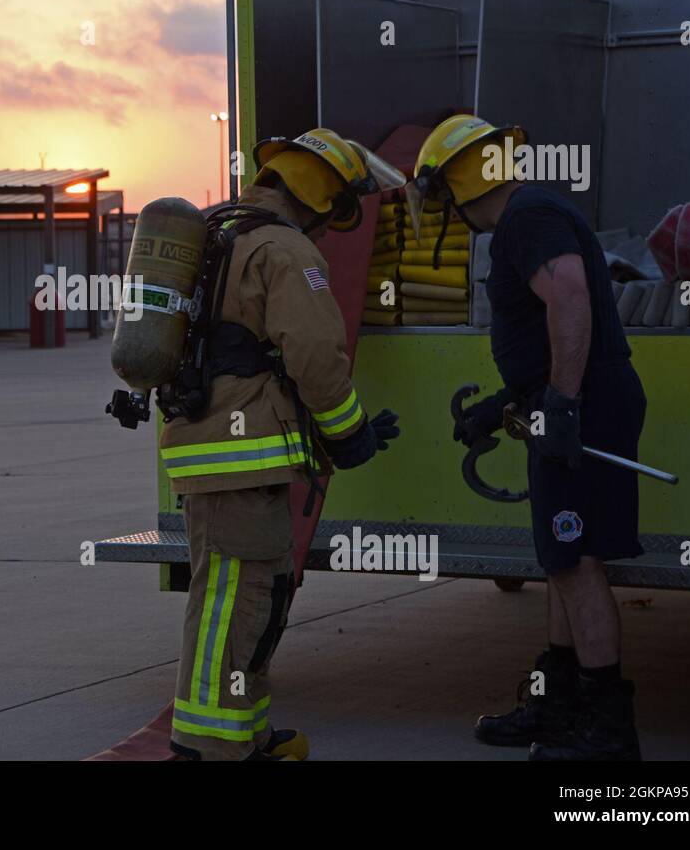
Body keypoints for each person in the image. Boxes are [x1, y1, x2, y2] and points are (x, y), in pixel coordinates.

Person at [160, 128, 402, 761]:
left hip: (217, 449)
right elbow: (316, 358)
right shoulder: (286, 250)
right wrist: (350, 435)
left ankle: (246, 736)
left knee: (250, 602)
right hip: (240, 457)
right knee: (236, 606)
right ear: (321, 197)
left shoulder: (218, 235)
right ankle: (207, 749)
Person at [410, 114, 645, 762]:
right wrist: (508, 405)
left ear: (455, 185)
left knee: (578, 562)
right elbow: (547, 330)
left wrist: (563, 403)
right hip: (571, 400)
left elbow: (569, 297)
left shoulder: (527, 218)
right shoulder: (530, 214)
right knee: (563, 559)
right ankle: (561, 705)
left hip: (584, 405)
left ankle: (607, 735)